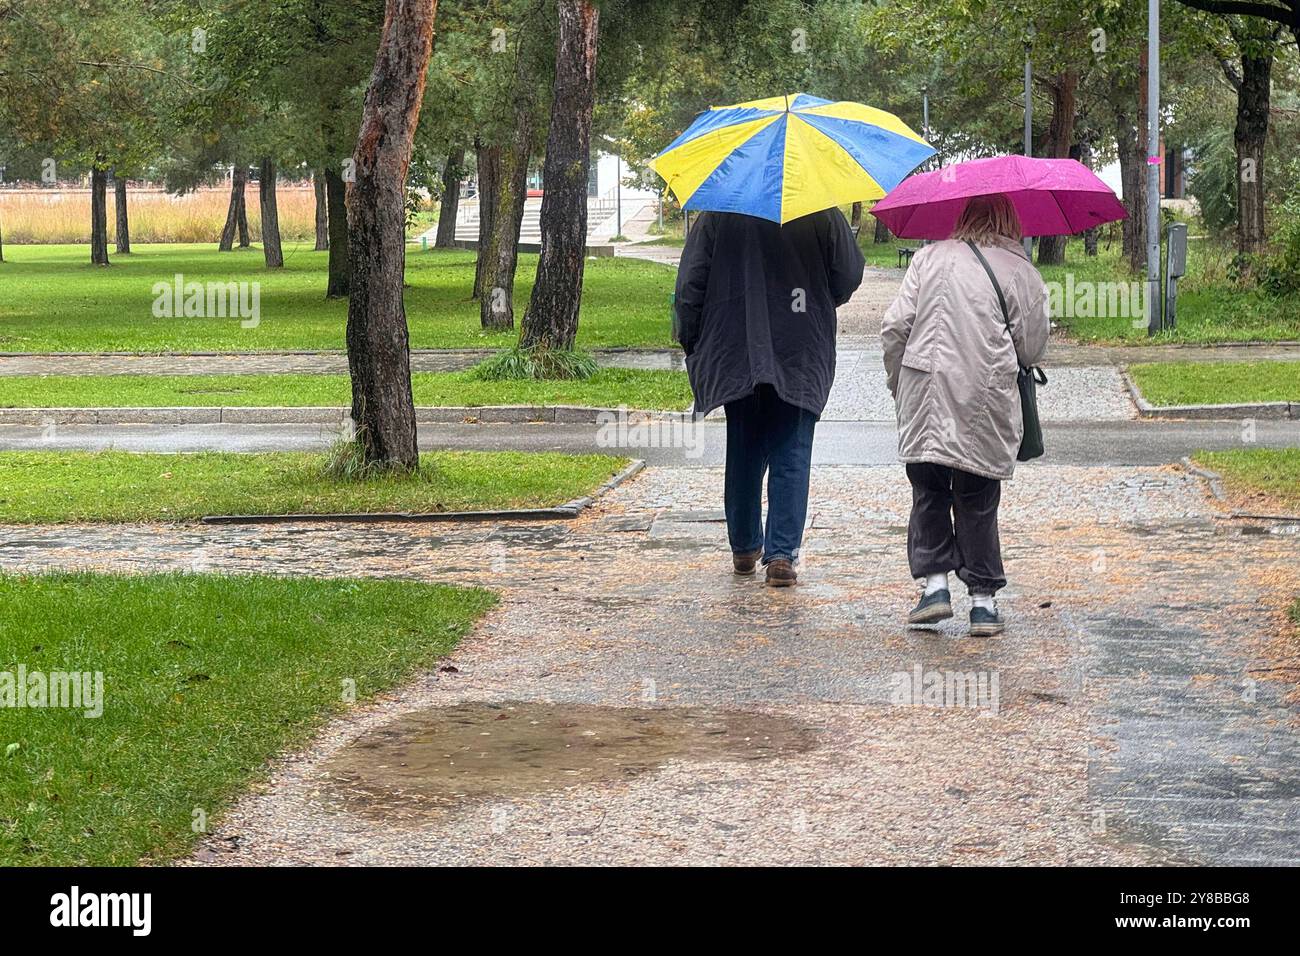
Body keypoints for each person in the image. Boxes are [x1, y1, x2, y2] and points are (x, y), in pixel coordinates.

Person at [880, 194, 1049, 635]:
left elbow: (896, 327)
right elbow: (1031, 349)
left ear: (964, 216)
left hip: (926, 390)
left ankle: (934, 588)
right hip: (986, 397)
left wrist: (900, 381)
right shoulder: (1021, 273)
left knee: (929, 487)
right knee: (977, 496)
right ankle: (983, 603)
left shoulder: (928, 259)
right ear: (1011, 220)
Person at [675, 208, 865, 587]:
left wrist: (691, 335)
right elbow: (848, 274)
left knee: (743, 442)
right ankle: (781, 553)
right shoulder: (819, 208)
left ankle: (745, 545)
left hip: (737, 337)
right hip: (801, 337)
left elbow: (690, 283)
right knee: (792, 447)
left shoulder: (722, 210)